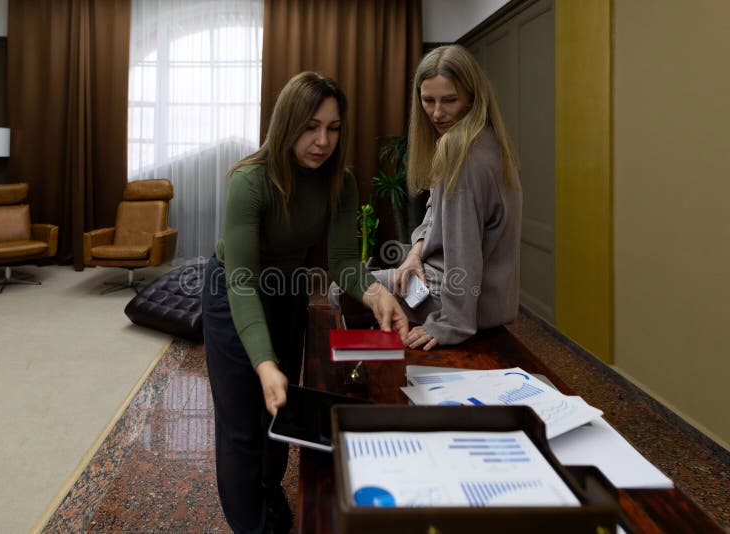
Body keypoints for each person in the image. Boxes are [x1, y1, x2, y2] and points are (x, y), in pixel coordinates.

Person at [202, 71, 409, 534]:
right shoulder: (250, 181)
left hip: (287, 288)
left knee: (279, 407)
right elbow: (241, 281)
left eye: (334, 129)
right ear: (287, 123)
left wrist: (378, 293)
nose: (323, 141)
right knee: (241, 425)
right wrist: (262, 361)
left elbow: (342, 262)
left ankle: (269, 491)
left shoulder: (341, 181)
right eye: (311, 127)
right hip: (233, 289)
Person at [377, 44, 522, 351]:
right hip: (471, 293)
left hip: (456, 299)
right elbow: (435, 210)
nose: (437, 112)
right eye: (428, 101)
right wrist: (415, 252)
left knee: (342, 291)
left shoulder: (461, 150)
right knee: (361, 283)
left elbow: (463, 249)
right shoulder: (485, 138)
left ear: (472, 96)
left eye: (449, 100)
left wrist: (451, 324)